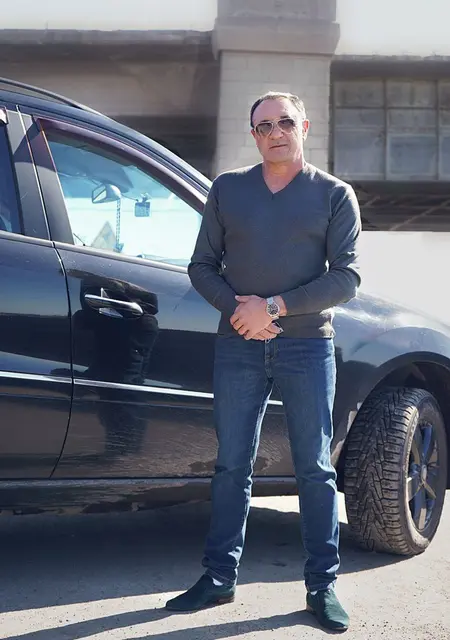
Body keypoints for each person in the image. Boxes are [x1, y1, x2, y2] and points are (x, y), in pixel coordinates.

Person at [165, 91, 361, 632]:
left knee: (315, 467)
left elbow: (346, 278)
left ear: (305, 126)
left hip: (307, 345)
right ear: (253, 134)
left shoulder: (334, 195)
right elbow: (202, 266)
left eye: (285, 123)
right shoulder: (228, 189)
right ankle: (218, 578)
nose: (275, 132)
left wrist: (272, 307)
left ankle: (322, 586)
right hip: (238, 344)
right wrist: (240, 311)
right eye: (263, 126)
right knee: (232, 464)